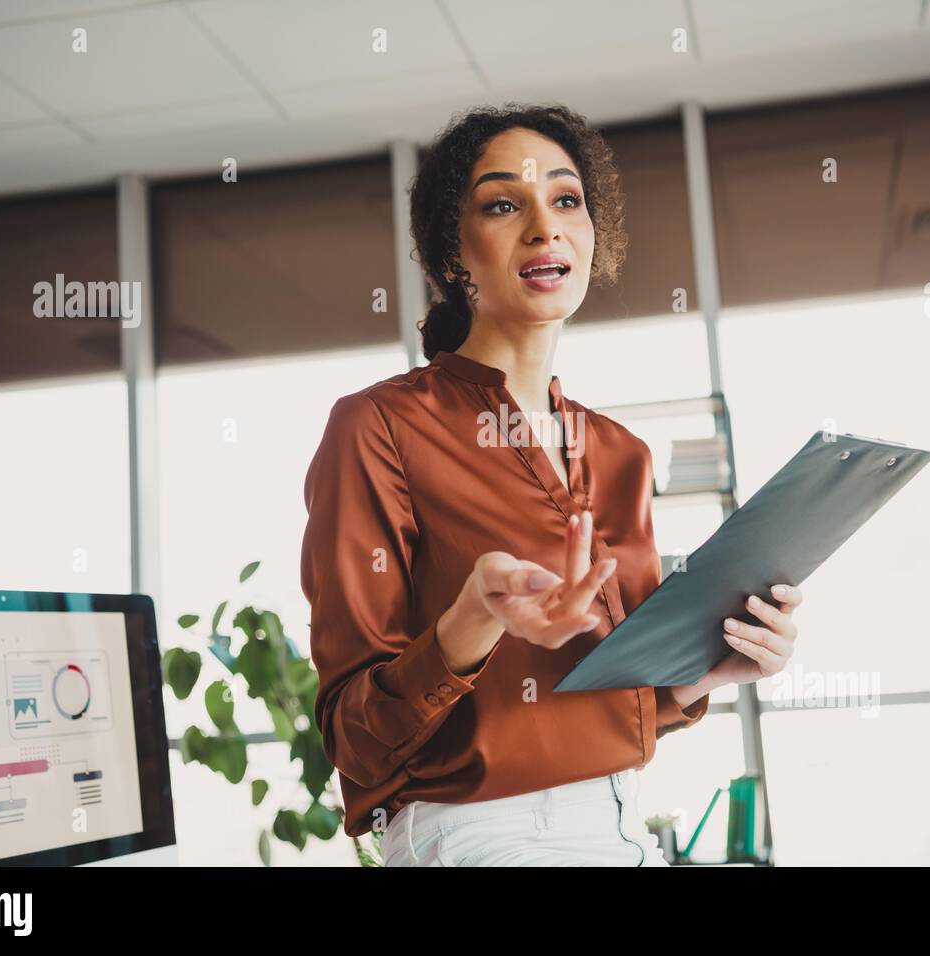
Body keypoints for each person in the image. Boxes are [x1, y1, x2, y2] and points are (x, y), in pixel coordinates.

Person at [300, 103, 802, 866]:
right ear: (452, 251)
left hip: (620, 825)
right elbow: (353, 738)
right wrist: (474, 619)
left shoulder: (620, 453)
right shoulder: (379, 429)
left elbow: (624, 697)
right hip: (477, 835)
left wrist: (710, 667)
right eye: (505, 205)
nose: (545, 227)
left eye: (566, 199)